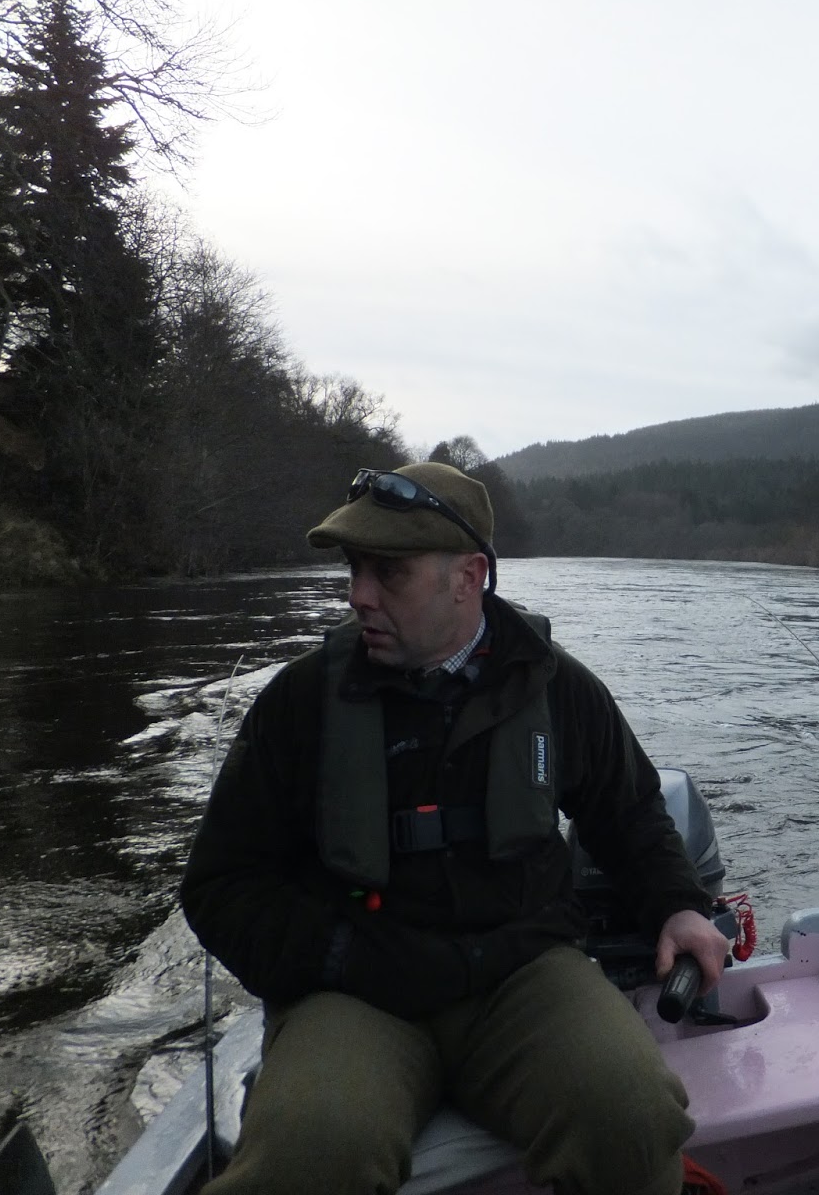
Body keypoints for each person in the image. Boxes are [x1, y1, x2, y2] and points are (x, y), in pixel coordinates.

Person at [180, 461, 730, 1195]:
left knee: (629, 1115)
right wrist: (340, 955)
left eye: (389, 573)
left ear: (467, 578)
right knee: (308, 1156)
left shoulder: (555, 686)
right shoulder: (302, 702)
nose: (359, 596)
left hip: (523, 977)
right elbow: (222, 885)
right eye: (354, 570)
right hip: (356, 994)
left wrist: (679, 904)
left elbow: (629, 810)